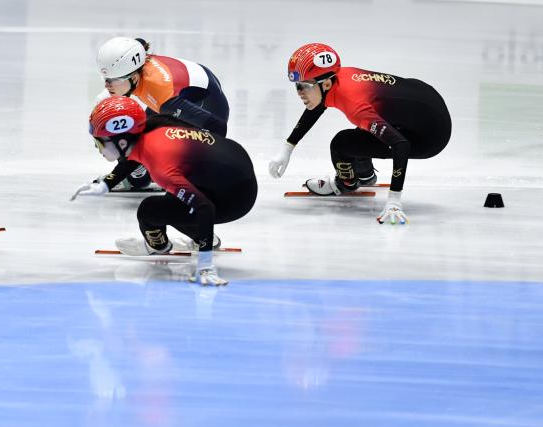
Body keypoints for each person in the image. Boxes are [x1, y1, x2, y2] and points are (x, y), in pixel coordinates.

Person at [72, 97, 257, 286]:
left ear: (121, 142)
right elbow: (133, 155)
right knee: (175, 195)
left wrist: (205, 264)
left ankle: (158, 246)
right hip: (232, 163)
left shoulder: (161, 168)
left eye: (100, 143)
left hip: (236, 198)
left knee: (150, 210)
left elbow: (204, 207)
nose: (98, 148)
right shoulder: (154, 125)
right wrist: (106, 185)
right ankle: (201, 236)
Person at [268, 42, 452, 225]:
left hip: (430, 138)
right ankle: (365, 175)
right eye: (297, 85)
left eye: (305, 85)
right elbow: (316, 107)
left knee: (341, 144)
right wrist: (287, 148)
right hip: (424, 100)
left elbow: (401, 144)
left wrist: (394, 200)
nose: (299, 92)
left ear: (325, 84)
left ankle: (345, 183)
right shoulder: (339, 77)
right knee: (367, 128)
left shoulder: (356, 106)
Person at [95, 36, 230, 190]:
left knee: (134, 135)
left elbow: (217, 127)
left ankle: (151, 174)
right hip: (191, 88)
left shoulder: (163, 97)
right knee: (131, 129)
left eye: (112, 80)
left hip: (207, 105)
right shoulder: (136, 62)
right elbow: (139, 42)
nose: (107, 85)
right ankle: (140, 175)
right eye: (105, 78)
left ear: (133, 77)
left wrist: (205, 172)